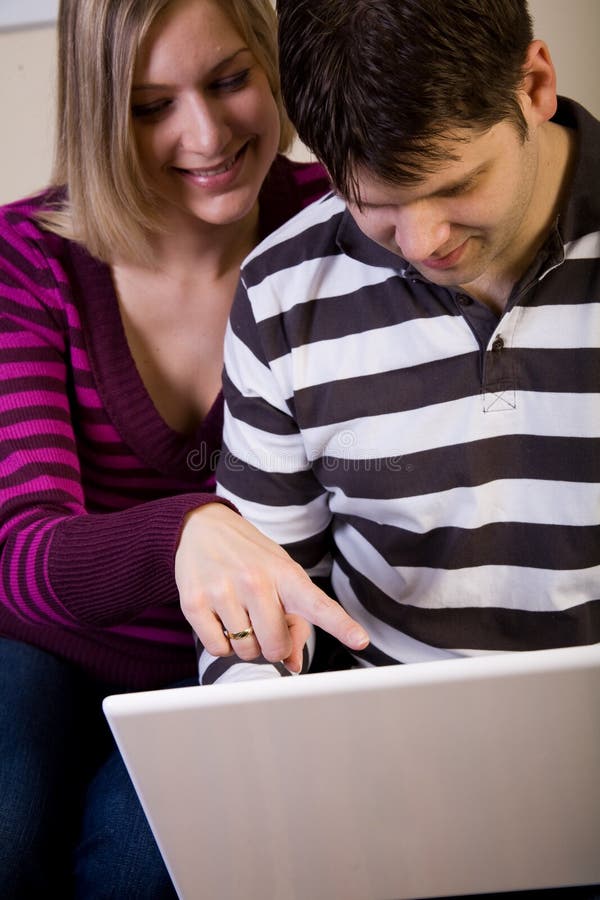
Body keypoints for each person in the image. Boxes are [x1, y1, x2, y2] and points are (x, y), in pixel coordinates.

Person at [0, 0, 369, 896]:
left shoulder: (353, 218)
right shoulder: (25, 258)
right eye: (151, 104)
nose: (205, 134)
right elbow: (19, 553)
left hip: (250, 663)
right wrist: (185, 532)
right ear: (99, 110)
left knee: (145, 868)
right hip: (43, 651)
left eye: (230, 80)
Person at [209, 0, 600, 678]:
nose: (423, 243)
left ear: (534, 86)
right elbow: (261, 616)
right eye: (375, 203)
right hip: (380, 748)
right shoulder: (281, 294)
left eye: (458, 184)